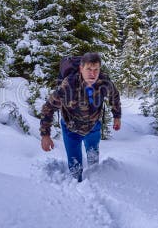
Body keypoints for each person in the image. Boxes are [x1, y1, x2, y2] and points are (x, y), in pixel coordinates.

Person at [39, 52, 121, 182]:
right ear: (81, 69)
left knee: (93, 157)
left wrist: (117, 116)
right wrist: (45, 135)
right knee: (75, 167)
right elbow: (48, 108)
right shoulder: (68, 85)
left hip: (93, 127)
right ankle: (77, 190)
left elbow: (114, 96)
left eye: (96, 70)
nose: (92, 74)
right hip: (71, 129)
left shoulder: (104, 82)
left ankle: (95, 177)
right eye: (88, 69)